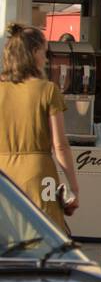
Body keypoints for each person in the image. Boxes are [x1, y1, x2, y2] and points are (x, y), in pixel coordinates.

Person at [0, 24, 80, 232]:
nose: (46, 59)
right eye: (44, 52)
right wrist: (73, 187)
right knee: (44, 233)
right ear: (34, 53)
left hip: (3, 174)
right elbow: (60, 145)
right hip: (38, 173)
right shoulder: (47, 90)